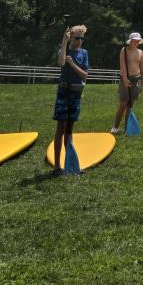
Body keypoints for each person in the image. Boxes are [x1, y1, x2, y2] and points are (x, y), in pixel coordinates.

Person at [52, 24, 89, 174]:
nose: (79, 41)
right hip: (64, 92)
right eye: (77, 38)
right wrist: (64, 41)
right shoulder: (65, 51)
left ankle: (69, 162)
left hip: (76, 93)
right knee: (60, 128)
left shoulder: (84, 53)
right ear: (71, 37)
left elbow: (84, 75)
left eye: (82, 38)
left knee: (69, 130)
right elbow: (60, 62)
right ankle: (56, 166)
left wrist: (72, 64)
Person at [111, 32, 143, 133]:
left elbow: (142, 68)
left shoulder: (140, 52)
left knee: (130, 105)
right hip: (125, 79)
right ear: (130, 41)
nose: (136, 42)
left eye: (138, 40)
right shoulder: (124, 50)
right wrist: (125, 79)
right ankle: (115, 127)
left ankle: (127, 129)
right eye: (134, 40)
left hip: (136, 80)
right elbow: (122, 65)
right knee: (123, 104)